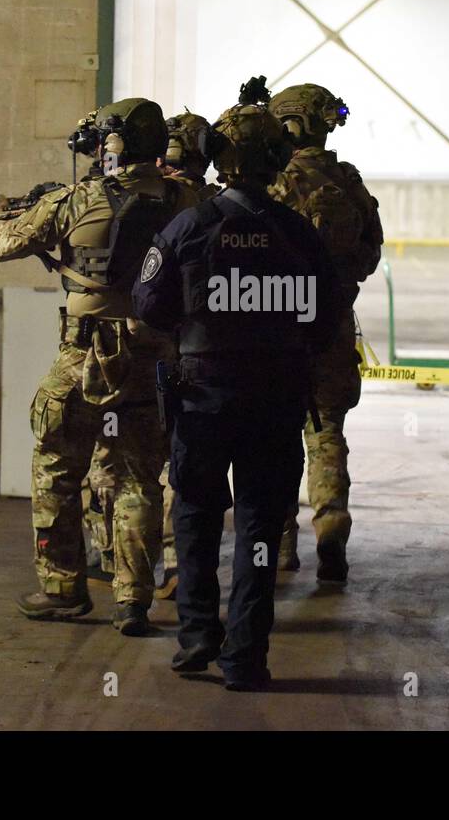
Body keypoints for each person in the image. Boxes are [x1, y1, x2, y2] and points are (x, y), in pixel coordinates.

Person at [0, 98, 198, 636]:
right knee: (141, 478)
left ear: (110, 143)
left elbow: (2, 244)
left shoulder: (79, 200)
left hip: (84, 356)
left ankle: (63, 589)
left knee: (56, 468)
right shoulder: (186, 199)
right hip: (152, 360)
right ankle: (133, 601)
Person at [132, 102, 340, 690]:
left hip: (202, 401)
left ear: (219, 161)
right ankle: (245, 657)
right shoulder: (299, 234)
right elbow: (326, 320)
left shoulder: (187, 227)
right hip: (274, 403)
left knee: (196, 516)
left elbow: (149, 306)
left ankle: (198, 636)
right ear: (276, 160)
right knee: (258, 529)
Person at [266, 84, 383, 582]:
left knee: (274, 438)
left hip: (276, 331)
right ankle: (331, 525)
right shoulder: (347, 181)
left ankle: (281, 546)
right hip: (333, 325)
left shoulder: (271, 179)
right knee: (326, 431)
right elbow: (371, 252)